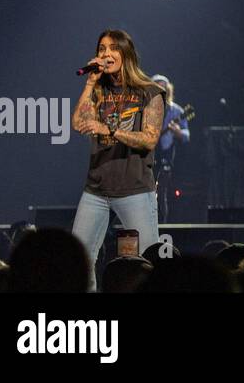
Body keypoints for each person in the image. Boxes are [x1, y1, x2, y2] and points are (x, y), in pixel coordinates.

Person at [71, 29, 165, 291]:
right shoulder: (98, 90)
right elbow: (78, 123)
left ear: (126, 53)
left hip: (134, 188)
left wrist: (110, 130)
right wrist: (90, 83)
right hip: (96, 189)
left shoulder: (150, 92)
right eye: (101, 49)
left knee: (147, 261)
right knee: (79, 260)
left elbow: (149, 139)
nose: (106, 54)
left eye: (113, 48)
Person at [152, 74, 190, 223]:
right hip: (147, 156)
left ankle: (162, 226)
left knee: (162, 192)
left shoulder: (177, 111)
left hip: (166, 155)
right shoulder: (145, 109)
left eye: (163, 87)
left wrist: (177, 132)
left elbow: (186, 135)